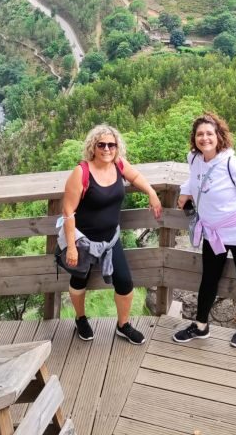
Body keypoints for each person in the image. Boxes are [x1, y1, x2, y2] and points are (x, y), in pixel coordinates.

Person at [173, 112, 236, 348]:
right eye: (200, 134)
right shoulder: (194, 158)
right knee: (209, 277)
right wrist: (185, 192)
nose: (204, 138)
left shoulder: (232, 164)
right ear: (194, 138)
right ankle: (201, 326)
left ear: (219, 136)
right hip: (213, 231)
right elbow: (194, 178)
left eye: (209, 133)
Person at [60, 124, 163, 344]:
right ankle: (80, 319)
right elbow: (68, 211)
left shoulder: (119, 165)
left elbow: (135, 176)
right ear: (93, 147)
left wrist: (151, 192)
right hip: (84, 241)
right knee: (79, 280)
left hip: (110, 240)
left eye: (111, 145)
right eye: (102, 145)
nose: (107, 149)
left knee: (125, 283)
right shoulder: (81, 172)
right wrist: (71, 247)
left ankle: (123, 325)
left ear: (117, 147)